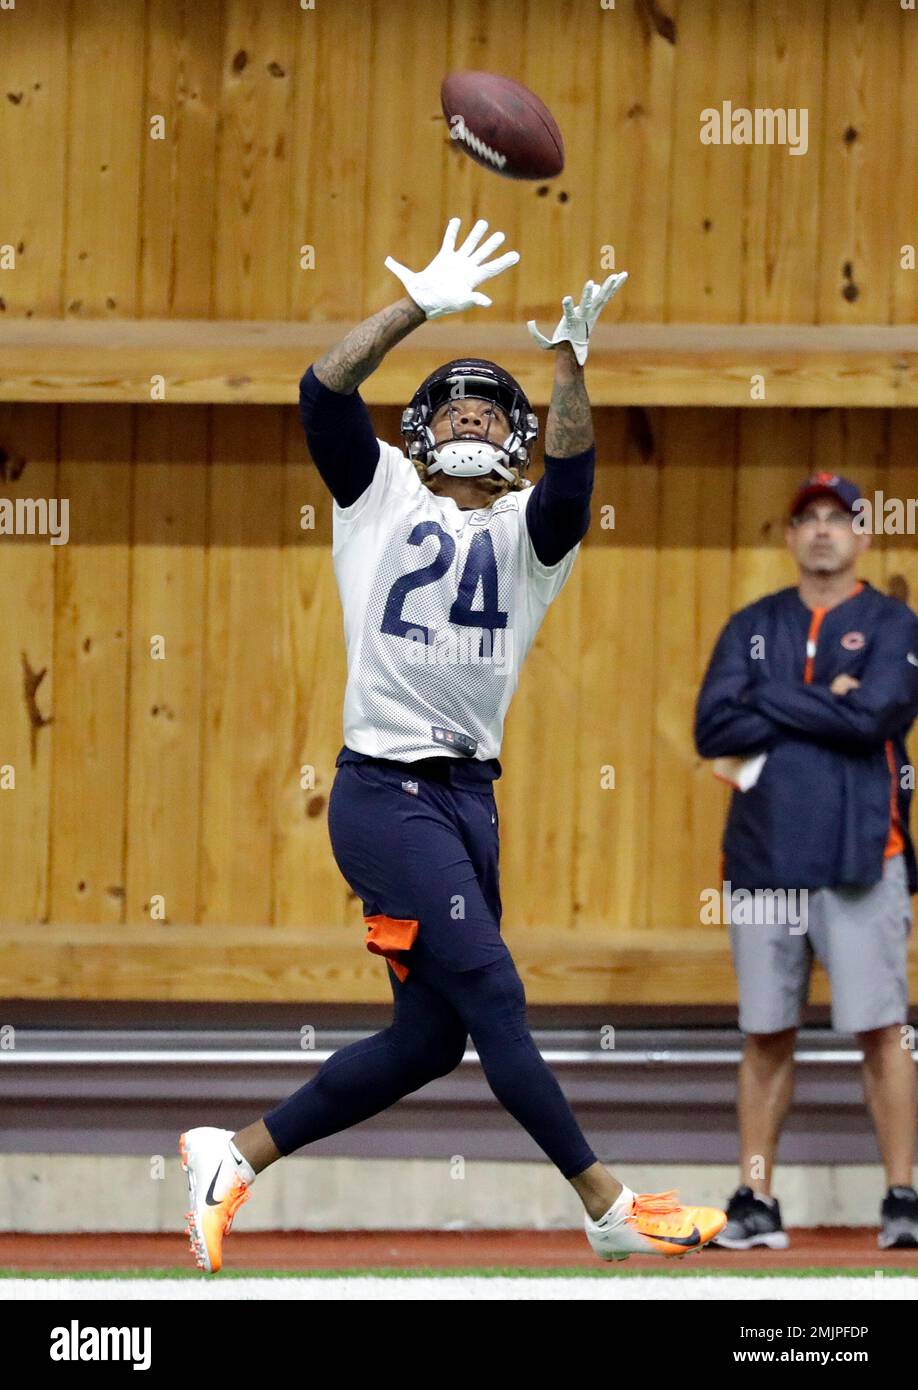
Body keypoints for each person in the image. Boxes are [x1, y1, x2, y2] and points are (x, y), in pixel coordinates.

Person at [180, 216, 725, 1272]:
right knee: (498, 992)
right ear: (424, 430)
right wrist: (417, 304)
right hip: (385, 794)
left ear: (512, 434)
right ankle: (604, 1201)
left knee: (432, 1039)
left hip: (469, 801)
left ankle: (232, 1155)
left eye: (492, 405)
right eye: (456, 402)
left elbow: (570, 481)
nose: (473, 413)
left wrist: (568, 365)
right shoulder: (377, 492)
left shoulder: (530, 538)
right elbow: (322, 393)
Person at [695, 471, 918, 1250]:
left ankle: (902, 1198)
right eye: (808, 519)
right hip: (762, 863)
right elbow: (711, 726)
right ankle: (755, 1201)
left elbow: (876, 719)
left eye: (838, 519)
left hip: (865, 855)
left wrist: (770, 698)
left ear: (862, 536)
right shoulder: (751, 624)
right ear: (790, 538)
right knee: (765, 1033)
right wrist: (828, 699)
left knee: (883, 1030)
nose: (823, 530)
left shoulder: (894, 624)